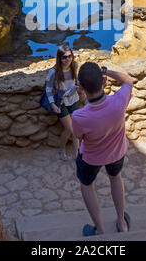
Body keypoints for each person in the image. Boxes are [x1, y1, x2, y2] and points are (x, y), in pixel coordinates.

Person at [71, 61, 133, 236]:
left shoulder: (79, 116)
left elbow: (79, 137)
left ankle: (100, 229)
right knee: (115, 178)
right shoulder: (119, 101)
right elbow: (128, 80)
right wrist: (106, 71)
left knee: (86, 185)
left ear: (81, 87)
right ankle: (121, 223)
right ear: (103, 82)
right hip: (117, 153)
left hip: (91, 158)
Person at [45, 43, 80, 161]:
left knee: (76, 128)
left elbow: (77, 80)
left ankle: (77, 154)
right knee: (70, 129)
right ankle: (62, 149)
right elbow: (48, 88)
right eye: (64, 57)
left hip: (74, 99)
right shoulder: (53, 71)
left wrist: (83, 88)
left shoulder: (74, 65)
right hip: (61, 103)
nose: (67, 59)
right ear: (59, 58)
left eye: (69, 56)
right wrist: (52, 104)